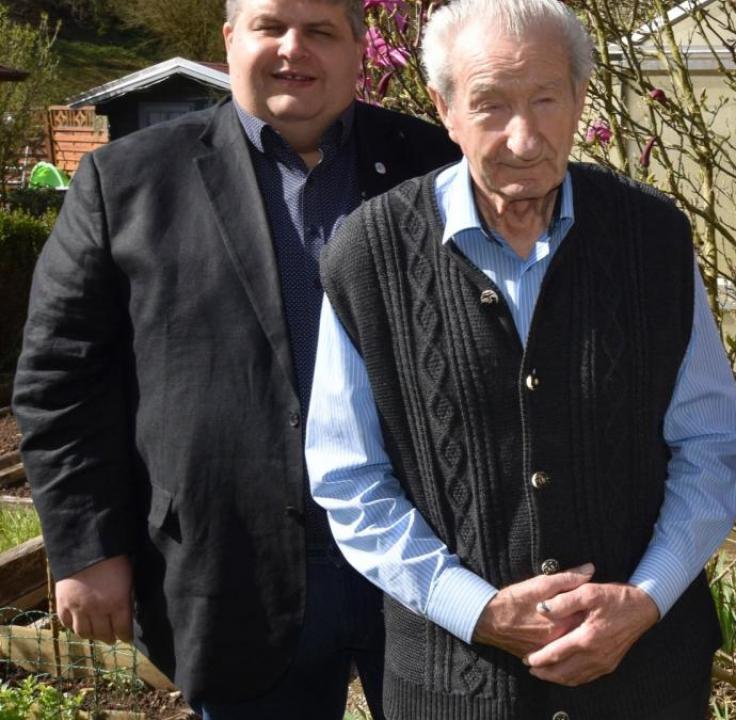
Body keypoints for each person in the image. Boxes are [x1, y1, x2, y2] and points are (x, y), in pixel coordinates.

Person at [11, 0, 459, 716]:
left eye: (320, 31)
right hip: (230, 563)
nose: (293, 50)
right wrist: (89, 548)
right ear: (229, 40)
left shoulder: (434, 165)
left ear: (358, 50)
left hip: (422, 554)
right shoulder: (123, 181)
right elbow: (60, 380)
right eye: (270, 27)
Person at [303, 0, 736, 717]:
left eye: (546, 99)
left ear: (579, 99)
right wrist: (476, 610)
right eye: (489, 105)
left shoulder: (653, 239)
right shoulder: (369, 256)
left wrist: (645, 599)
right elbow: (350, 479)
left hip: (646, 683)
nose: (523, 136)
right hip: (457, 689)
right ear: (443, 108)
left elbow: (709, 446)